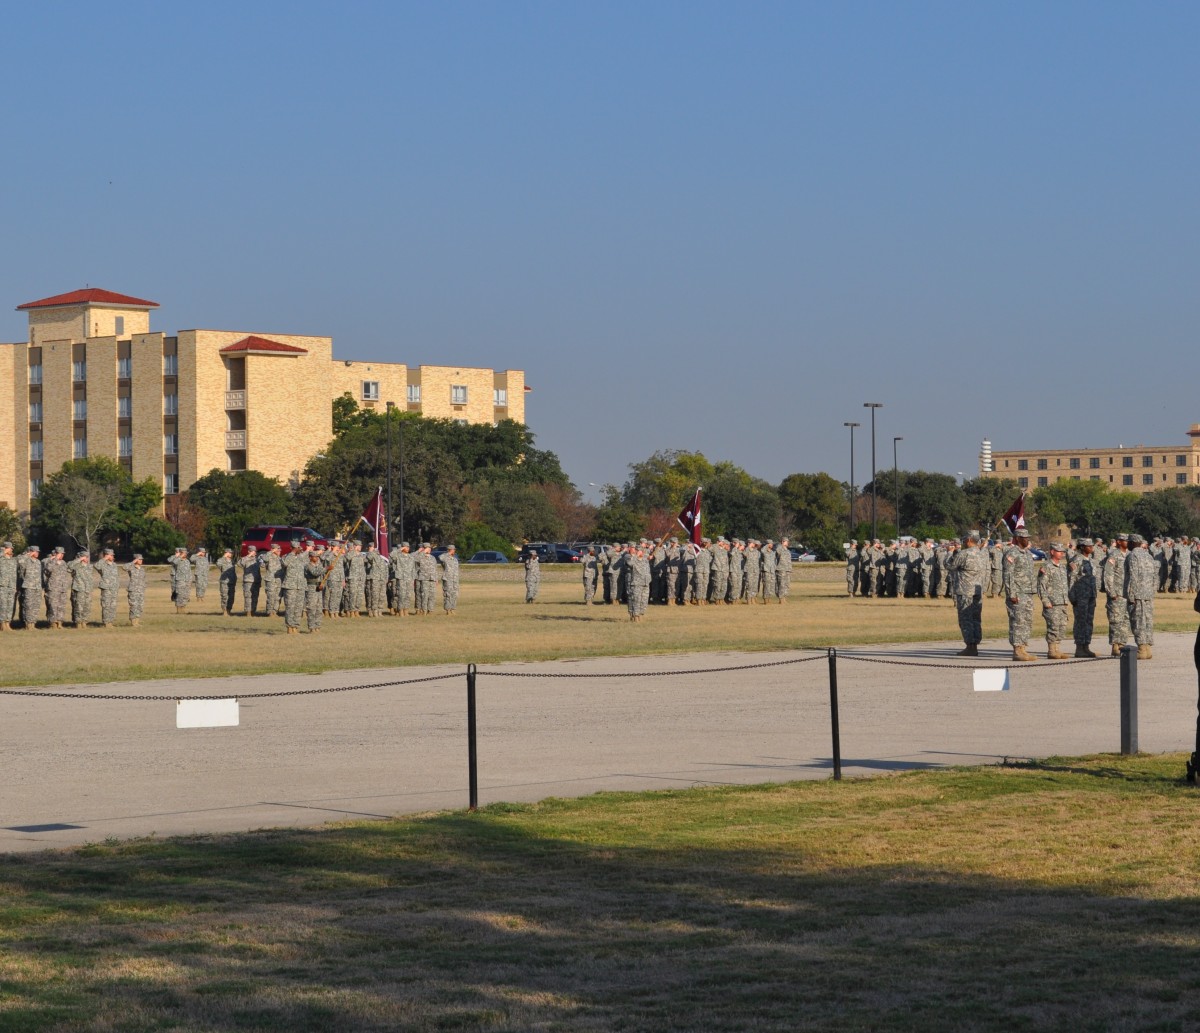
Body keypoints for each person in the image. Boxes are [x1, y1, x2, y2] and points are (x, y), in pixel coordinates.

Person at [948, 530, 989, 657]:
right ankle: (975, 643)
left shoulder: (964, 554)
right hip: (977, 590)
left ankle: (970, 646)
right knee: (976, 618)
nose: (964, 541)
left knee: (966, 618)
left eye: (965, 539)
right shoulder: (982, 553)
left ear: (970, 540)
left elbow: (950, 565)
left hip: (965, 590)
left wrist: (951, 553)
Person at [1003, 530, 1038, 661]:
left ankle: (1023, 648)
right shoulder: (1011, 554)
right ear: (1017, 538)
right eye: (1024, 538)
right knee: (1017, 621)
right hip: (1017, 593)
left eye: (1028, 537)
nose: (1027, 539)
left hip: (1027, 593)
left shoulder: (1028, 554)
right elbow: (1008, 574)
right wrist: (1012, 593)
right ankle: (1017, 650)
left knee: (1027, 621)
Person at [1124, 533, 1157, 660]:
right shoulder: (1148, 556)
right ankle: (1148, 649)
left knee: (1138, 621)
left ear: (1132, 543)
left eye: (1128, 542)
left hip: (1137, 593)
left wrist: (1131, 595)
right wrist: (1152, 592)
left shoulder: (1132, 556)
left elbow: (1133, 575)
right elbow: (1155, 576)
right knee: (1147, 621)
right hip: (1148, 594)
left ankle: (1142, 649)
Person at [1037, 542, 1071, 659]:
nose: (1061, 553)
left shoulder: (1062, 567)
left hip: (1062, 602)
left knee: (1062, 626)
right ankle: (1051, 650)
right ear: (1052, 552)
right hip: (1052, 603)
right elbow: (1042, 585)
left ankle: (1057, 649)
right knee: (1053, 626)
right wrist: (1046, 601)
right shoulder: (1046, 567)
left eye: (1062, 552)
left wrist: (1066, 600)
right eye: (1059, 551)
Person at [1102, 533, 1133, 656]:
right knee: (1116, 620)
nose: (1127, 542)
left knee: (1126, 620)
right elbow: (1108, 575)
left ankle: (1122, 644)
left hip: (1127, 594)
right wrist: (1111, 592)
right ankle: (1115, 646)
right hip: (1117, 594)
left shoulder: (1130, 555)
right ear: (1119, 542)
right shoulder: (1114, 555)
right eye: (1125, 540)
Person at [1067, 538, 1098, 658]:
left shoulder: (1090, 560)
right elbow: (1071, 578)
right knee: (1080, 621)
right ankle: (1079, 647)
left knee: (1088, 621)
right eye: (1088, 546)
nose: (1091, 547)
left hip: (1090, 595)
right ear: (1082, 547)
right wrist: (1072, 596)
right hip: (1080, 596)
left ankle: (1086, 646)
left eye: (1091, 545)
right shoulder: (1076, 560)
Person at [280, 539, 308, 634]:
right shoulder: (286, 557)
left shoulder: (301, 558)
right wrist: (292, 553)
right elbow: (284, 564)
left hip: (301, 585)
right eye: (296, 548)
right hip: (290, 586)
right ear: (291, 548)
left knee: (298, 607)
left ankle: (296, 626)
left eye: (299, 547)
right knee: (290, 607)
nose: (298, 549)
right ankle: (289, 626)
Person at [43, 546, 71, 629]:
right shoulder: (50, 562)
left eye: (62, 554)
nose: (61, 555)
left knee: (61, 606)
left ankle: (60, 622)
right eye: (60, 553)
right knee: (53, 606)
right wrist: (55, 559)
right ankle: (53, 623)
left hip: (62, 588)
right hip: (53, 588)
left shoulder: (63, 563)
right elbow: (48, 569)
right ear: (55, 554)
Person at [67, 549, 95, 628]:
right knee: (79, 606)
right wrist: (79, 559)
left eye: (88, 557)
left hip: (88, 589)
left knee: (87, 606)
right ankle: (78, 622)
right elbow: (69, 566)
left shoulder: (89, 566)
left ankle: (84, 622)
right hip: (79, 588)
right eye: (85, 557)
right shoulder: (76, 566)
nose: (87, 558)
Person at [17, 543, 42, 629]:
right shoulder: (26, 560)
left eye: (38, 552)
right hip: (28, 586)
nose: (38, 553)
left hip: (37, 586)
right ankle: (28, 624)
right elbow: (18, 561)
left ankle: (33, 623)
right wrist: (27, 555)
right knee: (28, 605)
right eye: (36, 551)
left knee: (36, 606)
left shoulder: (38, 562)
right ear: (31, 552)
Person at [96, 547, 121, 628]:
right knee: (106, 605)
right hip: (106, 588)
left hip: (114, 588)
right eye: (111, 555)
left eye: (113, 555)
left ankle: (111, 621)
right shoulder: (102, 564)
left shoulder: (114, 565)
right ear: (106, 555)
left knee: (113, 606)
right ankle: (106, 622)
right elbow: (96, 566)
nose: (113, 556)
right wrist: (104, 559)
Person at [626, 544, 651, 621]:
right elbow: (629, 564)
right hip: (636, 583)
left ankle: (640, 613)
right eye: (639, 550)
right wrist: (636, 556)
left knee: (644, 600)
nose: (641, 552)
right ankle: (635, 615)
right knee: (636, 599)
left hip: (646, 583)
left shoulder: (645, 560)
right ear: (636, 551)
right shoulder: (631, 558)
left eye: (642, 551)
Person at [390, 541, 415, 616]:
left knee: (408, 595)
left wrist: (413, 579)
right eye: (406, 547)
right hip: (401, 578)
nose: (407, 548)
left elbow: (413, 568)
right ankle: (400, 610)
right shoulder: (398, 556)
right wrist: (400, 549)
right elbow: (391, 555)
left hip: (409, 578)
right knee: (401, 595)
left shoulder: (411, 557)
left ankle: (406, 610)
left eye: (408, 547)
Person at [260, 542, 283, 617]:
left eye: (280, 549)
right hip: (271, 580)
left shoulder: (280, 558)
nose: (280, 551)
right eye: (278, 549)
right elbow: (264, 558)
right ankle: (269, 612)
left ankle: (275, 611)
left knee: (278, 597)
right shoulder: (268, 556)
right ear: (273, 549)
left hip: (279, 580)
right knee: (271, 596)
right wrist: (271, 551)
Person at [124, 553, 146, 626]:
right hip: (133, 590)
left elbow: (143, 579)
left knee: (140, 606)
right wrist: (133, 562)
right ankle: (133, 622)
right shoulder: (131, 568)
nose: (141, 560)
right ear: (136, 559)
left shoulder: (142, 570)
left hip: (141, 590)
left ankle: (137, 621)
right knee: (134, 606)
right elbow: (124, 567)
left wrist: (144, 587)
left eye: (141, 559)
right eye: (139, 559)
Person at [168, 546, 192, 613]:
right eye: (184, 553)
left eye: (186, 553)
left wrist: (190, 580)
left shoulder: (187, 561)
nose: (186, 554)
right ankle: (179, 610)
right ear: (181, 553)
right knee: (180, 595)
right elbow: (173, 562)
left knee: (185, 595)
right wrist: (179, 556)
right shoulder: (177, 560)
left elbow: (189, 571)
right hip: (180, 580)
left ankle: (183, 609)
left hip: (187, 580)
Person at [439, 544, 460, 614]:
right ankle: (447, 610)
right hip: (448, 579)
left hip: (455, 579)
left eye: (454, 549)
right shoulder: (445, 558)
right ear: (449, 550)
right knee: (448, 594)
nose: (454, 551)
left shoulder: (455, 560)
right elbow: (440, 557)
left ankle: (452, 609)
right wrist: (448, 553)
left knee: (455, 594)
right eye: (453, 549)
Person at [0, 541, 16, 631]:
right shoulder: (1, 559)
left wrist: (14, 586)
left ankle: (7, 623)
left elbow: (14, 574)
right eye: (10, 548)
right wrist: (3, 552)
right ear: (6, 548)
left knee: (10, 605)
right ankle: (2, 623)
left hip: (11, 586)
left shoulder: (12, 560)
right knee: (2, 605)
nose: (11, 550)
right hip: (2, 585)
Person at [239, 545, 259, 615]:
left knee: (255, 597)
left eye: (255, 551)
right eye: (253, 551)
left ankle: (253, 611)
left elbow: (263, 565)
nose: (255, 553)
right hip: (248, 581)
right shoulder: (244, 559)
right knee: (248, 597)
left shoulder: (257, 559)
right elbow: (240, 564)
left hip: (256, 581)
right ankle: (248, 612)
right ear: (249, 551)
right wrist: (248, 556)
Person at [216, 548, 236, 616]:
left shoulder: (232, 561)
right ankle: (224, 611)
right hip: (224, 582)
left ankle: (229, 610)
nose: (231, 554)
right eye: (230, 553)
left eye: (231, 553)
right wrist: (224, 556)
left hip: (232, 582)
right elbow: (218, 564)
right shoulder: (221, 560)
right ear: (226, 553)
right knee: (224, 596)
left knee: (231, 597)